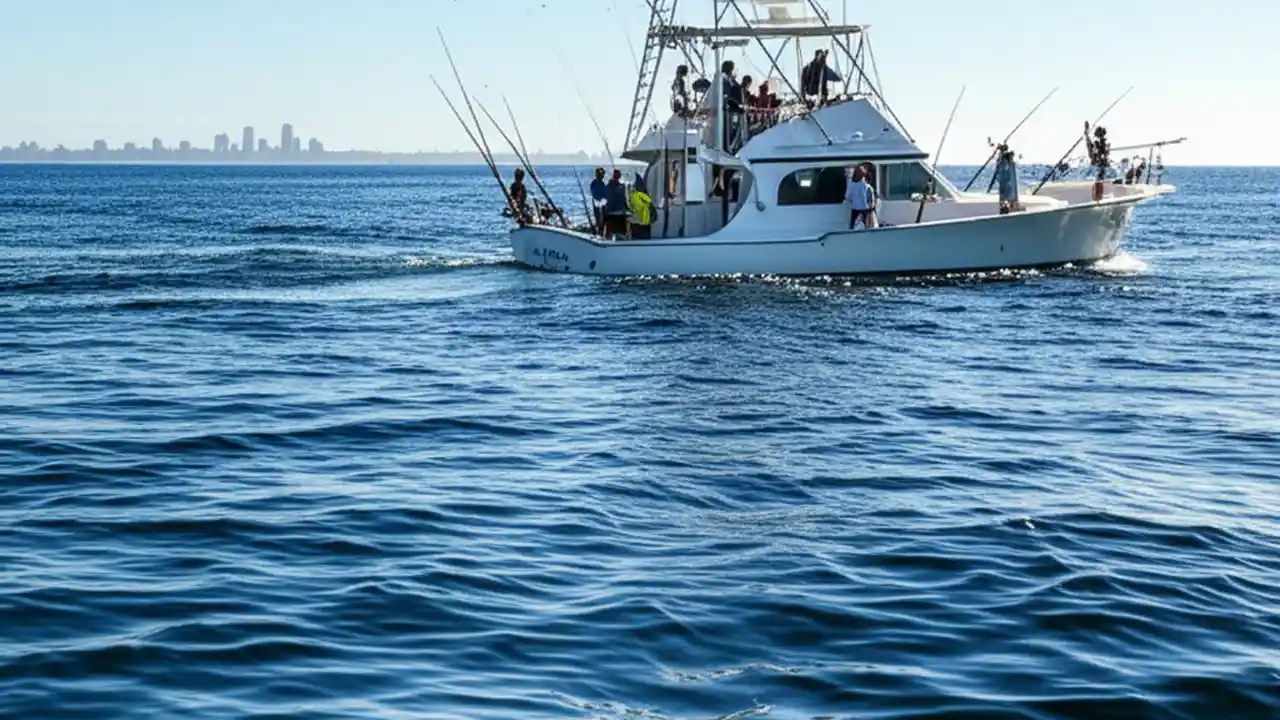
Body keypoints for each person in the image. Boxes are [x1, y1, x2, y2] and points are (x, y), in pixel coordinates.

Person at [846, 165, 877, 230]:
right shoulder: (868, 186)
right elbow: (871, 200)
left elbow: (848, 197)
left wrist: (853, 200)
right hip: (866, 209)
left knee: (852, 226)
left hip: (855, 208)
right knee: (868, 227)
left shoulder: (851, 185)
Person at [604, 169, 629, 238]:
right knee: (615, 232)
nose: (617, 176)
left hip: (618, 213)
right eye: (616, 175)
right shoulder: (612, 186)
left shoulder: (619, 186)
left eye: (618, 174)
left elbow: (624, 199)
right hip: (614, 213)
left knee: (619, 232)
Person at [628, 173, 654, 240]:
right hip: (642, 221)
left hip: (639, 221)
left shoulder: (634, 194)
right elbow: (649, 202)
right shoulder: (638, 193)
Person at [589, 167, 608, 235]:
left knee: (604, 222)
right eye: (600, 174)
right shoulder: (594, 183)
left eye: (602, 174)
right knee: (599, 222)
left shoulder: (602, 183)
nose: (602, 176)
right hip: (598, 205)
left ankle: (602, 233)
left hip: (603, 205)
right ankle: (599, 233)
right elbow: (595, 194)